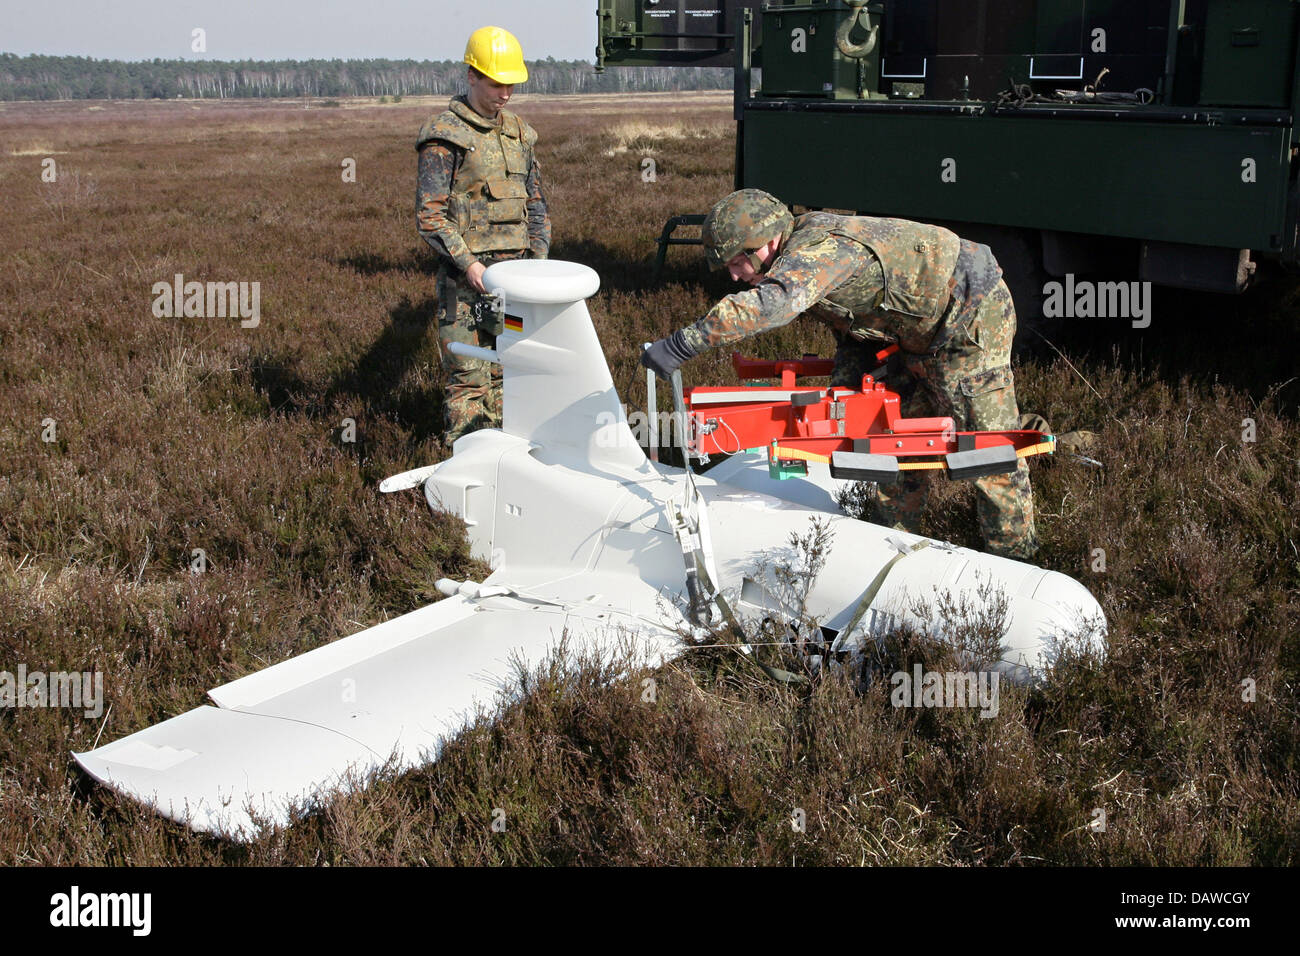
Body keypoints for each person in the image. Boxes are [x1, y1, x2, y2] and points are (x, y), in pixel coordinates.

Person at [641, 188, 1038, 559]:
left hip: (968, 318)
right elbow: (853, 325)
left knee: (988, 448)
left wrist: (682, 344)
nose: (733, 275)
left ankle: (1016, 558)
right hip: (914, 331)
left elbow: (771, 305)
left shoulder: (817, 252)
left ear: (764, 241)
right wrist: (843, 394)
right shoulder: (799, 252)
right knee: (892, 437)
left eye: (736, 262)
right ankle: (895, 545)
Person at [416, 25, 550, 445]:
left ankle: (509, 464)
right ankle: (468, 473)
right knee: (470, 378)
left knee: (510, 374)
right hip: (465, 286)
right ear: (471, 75)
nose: (505, 93)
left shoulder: (521, 134)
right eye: (496, 83)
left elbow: (537, 205)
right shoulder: (444, 136)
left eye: (511, 85)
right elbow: (431, 217)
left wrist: (538, 263)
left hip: (515, 287)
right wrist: (469, 265)